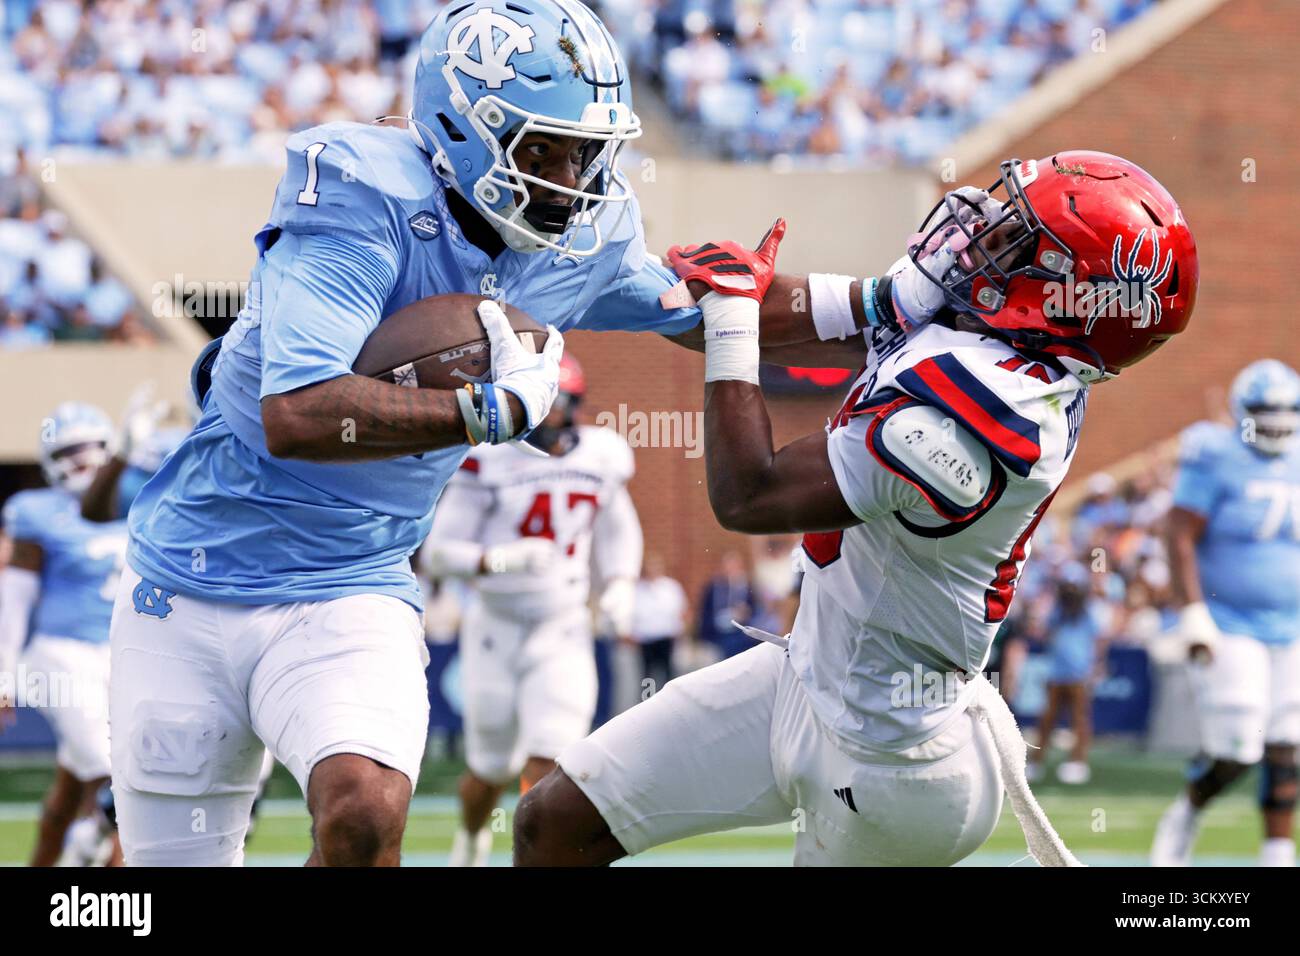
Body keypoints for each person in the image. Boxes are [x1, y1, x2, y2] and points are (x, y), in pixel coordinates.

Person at [105, 0, 991, 865]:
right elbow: (294, 414)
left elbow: (708, 308)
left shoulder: (582, 235)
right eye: (550, 152)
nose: (576, 181)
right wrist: (487, 412)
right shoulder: (361, 197)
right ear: (463, 128)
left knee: (365, 817)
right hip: (191, 577)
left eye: (589, 154)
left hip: (353, 579)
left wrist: (895, 299)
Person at [513, 150, 1200, 866]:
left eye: (1014, 239)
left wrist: (731, 322)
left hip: (896, 760)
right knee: (553, 824)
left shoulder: (993, 418)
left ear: (1072, 297)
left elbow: (749, 494)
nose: (981, 233)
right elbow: (775, 312)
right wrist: (594, 271)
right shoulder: (992, 332)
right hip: (803, 678)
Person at [420, 353, 642, 867]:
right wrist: (500, 559)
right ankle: (472, 838)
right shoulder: (487, 459)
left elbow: (618, 529)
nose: (551, 416)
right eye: (540, 405)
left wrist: (621, 586)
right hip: (494, 627)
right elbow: (438, 553)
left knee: (552, 757)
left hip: (562, 626)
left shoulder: (601, 457)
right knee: (490, 768)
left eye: (559, 403)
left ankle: (536, 856)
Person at [1151, 359, 1300, 867]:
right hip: (1231, 622)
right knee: (1239, 748)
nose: (1278, 420)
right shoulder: (1215, 453)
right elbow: (1178, 532)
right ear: (1242, 412)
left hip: (1292, 623)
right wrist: (1193, 611)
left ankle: (1278, 852)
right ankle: (1187, 812)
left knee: (1287, 742)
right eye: (1265, 410)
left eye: (1288, 409)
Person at [0, 402, 123, 866]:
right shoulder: (36, 511)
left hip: (122, 658)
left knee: (70, 790)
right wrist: (3, 675)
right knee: (120, 783)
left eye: (92, 448)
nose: (81, 459)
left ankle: (69, 853)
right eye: (69, 450)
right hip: (61, 657)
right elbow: (15, 602)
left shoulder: (139, 502)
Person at [1026, 562, 1111, 785]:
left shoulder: (1090, 611)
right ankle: (1036, 760)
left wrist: (1095, 666)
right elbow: (1044, 632)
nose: (1070, 593)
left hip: (1079, 675)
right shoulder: (1056, 610)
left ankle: (1077, 762)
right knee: (1046, 719)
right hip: (1055, 672)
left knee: (1079, 719)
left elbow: (1099, 641)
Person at [629, 553, 688, 693]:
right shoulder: (638, 589)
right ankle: (646, 703)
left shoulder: (671, 587)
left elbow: (682, 611)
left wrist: (681, 632)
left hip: (666, 638)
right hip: (646, 639)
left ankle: (669, 704)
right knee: (647, 676)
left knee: (668, 674)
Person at [696, 550, 756, 659]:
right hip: (717, 632)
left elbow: (753, 611)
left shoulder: (745, 587)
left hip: (739, 631)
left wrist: (744, 612)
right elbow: (705, 614)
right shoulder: (713, 588)